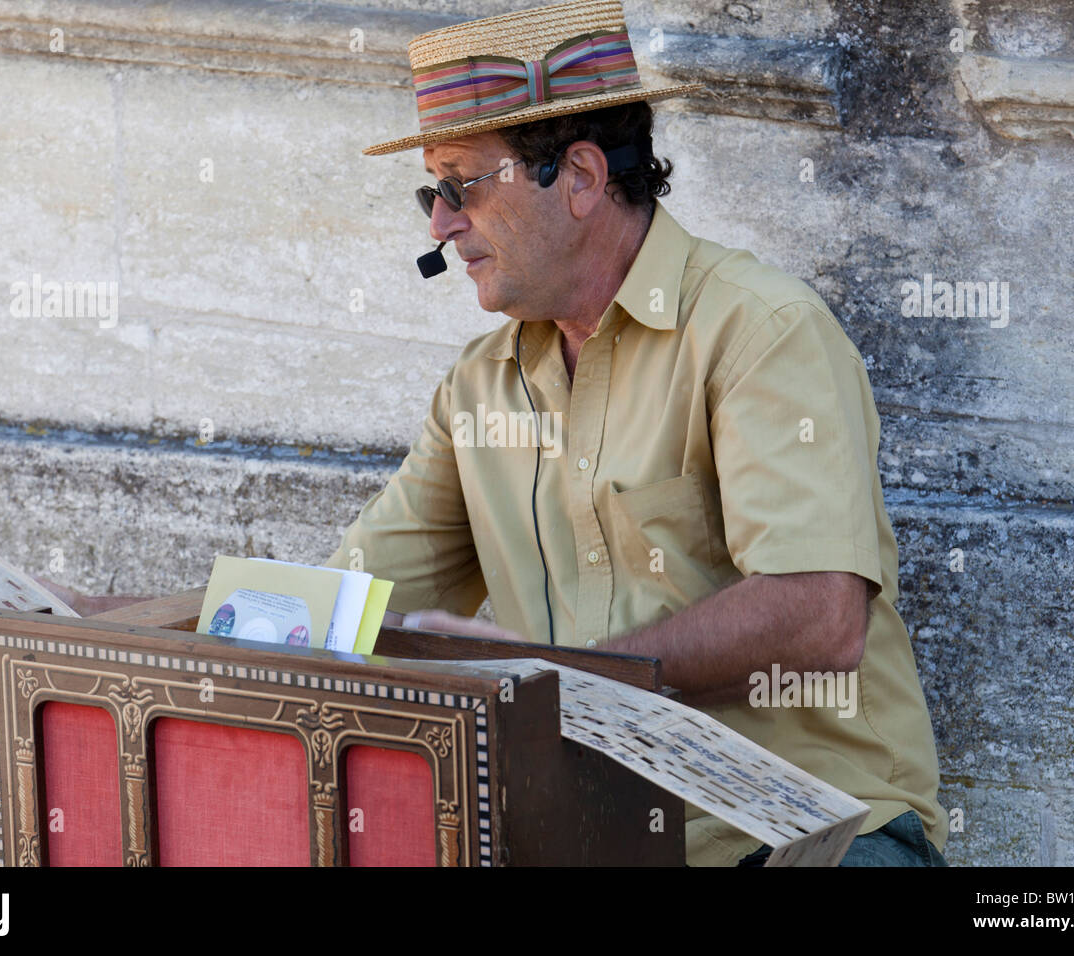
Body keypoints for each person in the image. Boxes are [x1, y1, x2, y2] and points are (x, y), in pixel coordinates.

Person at [318, 0, 948, 866]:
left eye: (461, 186)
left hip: (806, 833)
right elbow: (350, 606)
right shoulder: (478, 384)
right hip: (594, 841)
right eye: (432, 191)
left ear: (579, 177)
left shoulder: (760, 330)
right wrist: (138, 629)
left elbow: (818, 615)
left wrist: (557, 679)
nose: (440, 225)